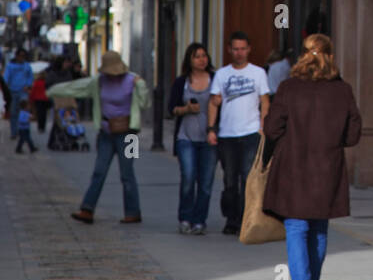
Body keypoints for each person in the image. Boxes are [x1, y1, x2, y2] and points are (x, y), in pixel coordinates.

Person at [263, 34, 361, 280]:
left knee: (296, 227)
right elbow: (353, 134)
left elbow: (272, 129)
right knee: (318, 229)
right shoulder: (341, 90)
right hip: (326, 169)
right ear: (330, 55)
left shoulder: (288, 88)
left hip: (292, 168)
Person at [48, 51, 151, 223]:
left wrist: (140, 86)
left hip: (129, 135)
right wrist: (52, 91)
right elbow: (77, 87)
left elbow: (144, 102)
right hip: (106, 133)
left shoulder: (132, 80)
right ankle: (87, 209)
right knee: (99, 171)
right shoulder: (100, 80)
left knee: (127, 173)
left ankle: (133, 212)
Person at [207, 31, 270, 237]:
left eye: (243, 48)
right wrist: (211, 128)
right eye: (236, 49)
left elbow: (265, 101)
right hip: (227, 134)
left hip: (251, 132)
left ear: (249, 49)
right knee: (229, 180)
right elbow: (214, 102)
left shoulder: (258, 73)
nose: (239, 53)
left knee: (248, 178)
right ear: (229, 50)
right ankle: (230, 217)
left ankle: (244, 219)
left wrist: (263, 127)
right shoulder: (222, 74)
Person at [168, 43, 218, 236]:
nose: (202, 59)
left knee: (205, 182)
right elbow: (171, 108)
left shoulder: (215, 79)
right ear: (189, 59)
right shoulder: (182, 82)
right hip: (185, 138)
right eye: (197, 56)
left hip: (209, 139)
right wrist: (186, 109)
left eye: (204, 55)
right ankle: (185, 218)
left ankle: (200, 220)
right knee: (188, 178)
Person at [5, 50, 34, 140]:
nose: (22, 58)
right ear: (16, 56)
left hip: (23, 91)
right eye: (20, 56)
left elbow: (30, 77)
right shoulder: (10, 66)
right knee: (13, 113)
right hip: (12, 91)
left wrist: (28, 85)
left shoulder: (27, 66)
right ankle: (14, 132)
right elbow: (6, 77)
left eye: (23, 56)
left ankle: (24, 131)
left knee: (24, 111)